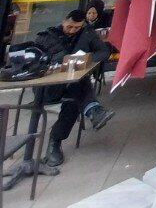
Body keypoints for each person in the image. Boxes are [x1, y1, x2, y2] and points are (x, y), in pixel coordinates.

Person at [36, 9, 113, 167]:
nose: (72, 31)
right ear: (63, 22)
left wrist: (84, 62)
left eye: (76, 28)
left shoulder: (86, 34)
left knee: (73, 100)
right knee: (79, 89)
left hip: (73, 85)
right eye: (69, 27)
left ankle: (54, 143)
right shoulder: (46, 37)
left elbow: (104, 51)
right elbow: (35, 62)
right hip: (50, 88)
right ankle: (93, 110)